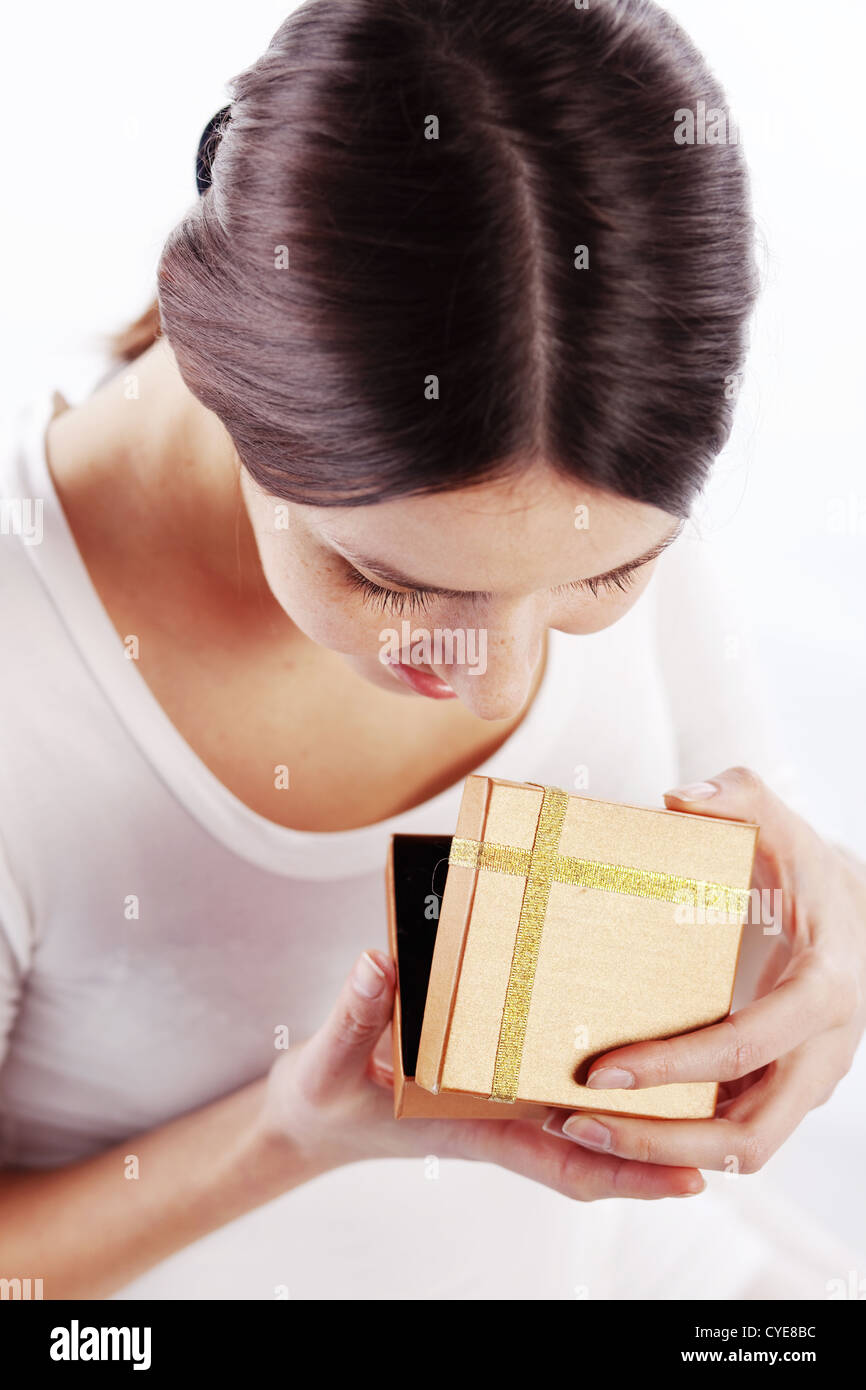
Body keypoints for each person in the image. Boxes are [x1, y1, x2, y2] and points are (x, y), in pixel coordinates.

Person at [1, 0, 863, 1300]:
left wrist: (824, 931)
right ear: (228, 380)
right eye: (387, 579)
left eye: (602, 577)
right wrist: (286, 1133)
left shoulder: (570, 432)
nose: (504, 681)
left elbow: (742, 837)